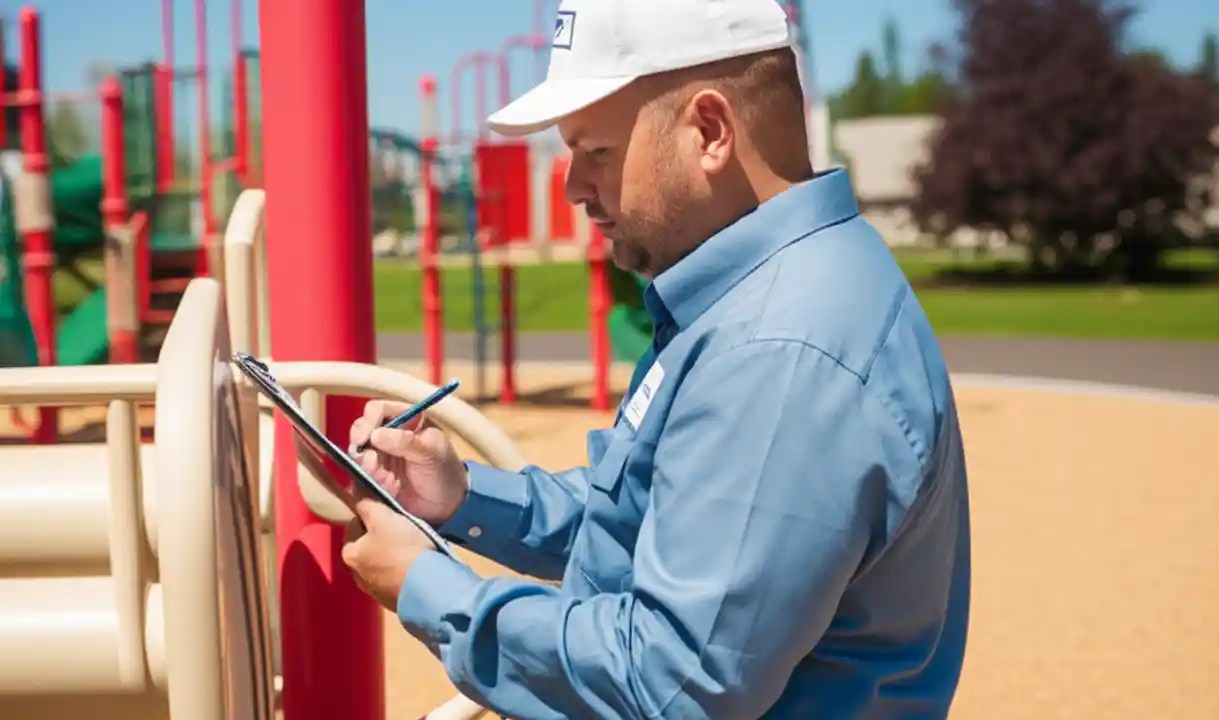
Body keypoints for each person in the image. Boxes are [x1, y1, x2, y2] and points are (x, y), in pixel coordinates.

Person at [342, 0, 971, 717]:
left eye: (596, 152)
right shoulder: (757, 299)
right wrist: (460, 497)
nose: (574, 186)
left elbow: (670, 686)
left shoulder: (779, 346)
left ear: (709, 131)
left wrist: (426, 586)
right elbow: (653, 522)